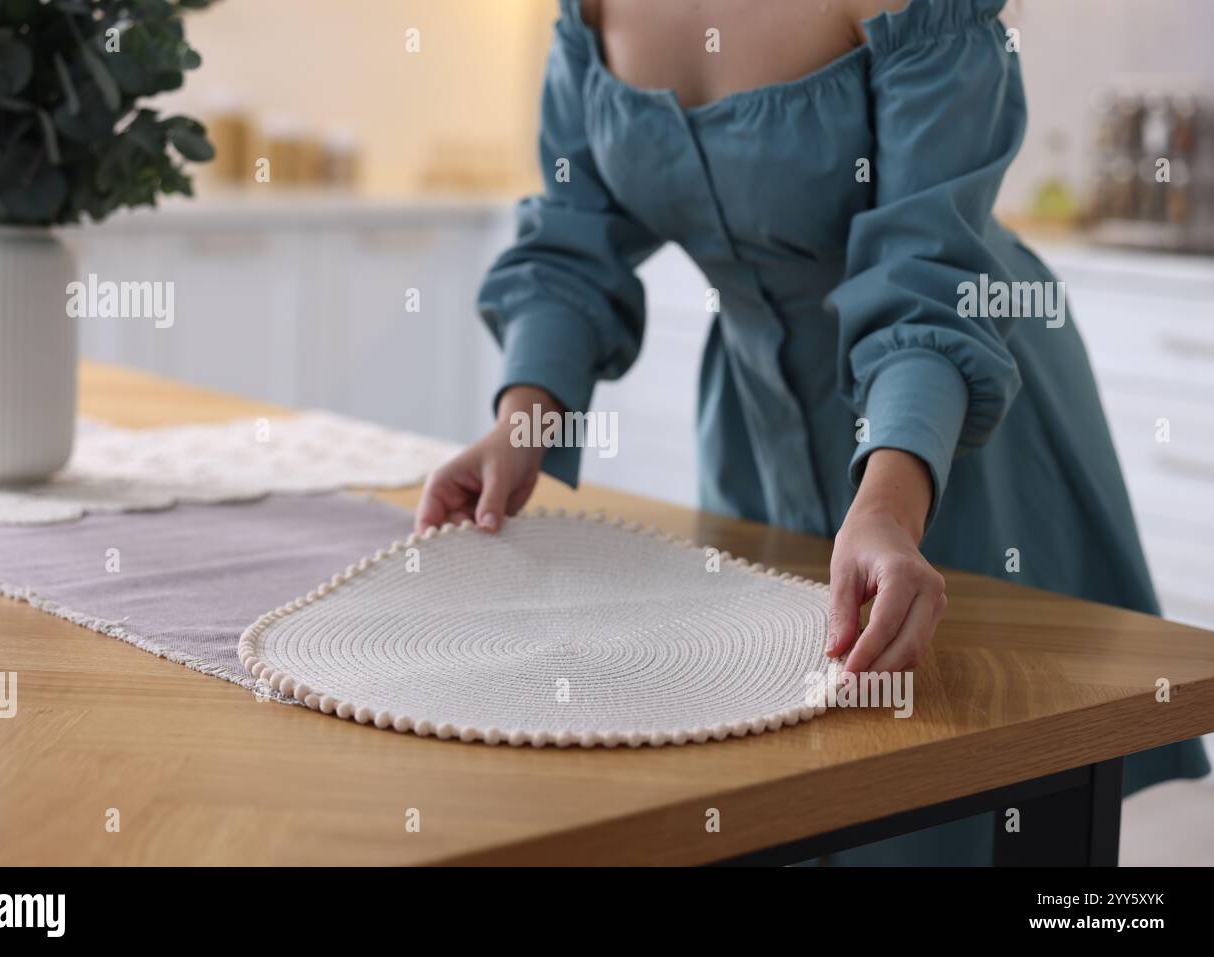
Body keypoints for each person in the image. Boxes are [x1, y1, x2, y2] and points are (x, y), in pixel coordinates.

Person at [416, 0, 1209, 864]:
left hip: (952, 424)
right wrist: (520, 422)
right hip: (758, 428)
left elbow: (926, 276)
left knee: (941, 805)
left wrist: (890, 512)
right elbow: (573, 236)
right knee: (773, 786)